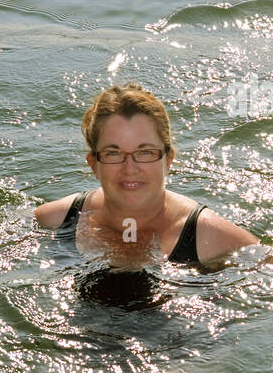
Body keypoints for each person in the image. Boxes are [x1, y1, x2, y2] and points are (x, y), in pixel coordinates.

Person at [33, 82, 260, 272]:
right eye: (114, 153)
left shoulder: (213, 238)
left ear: (168, 160)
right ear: (94, 164)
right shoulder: (56, 221)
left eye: (145, 152)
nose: (130, 168)